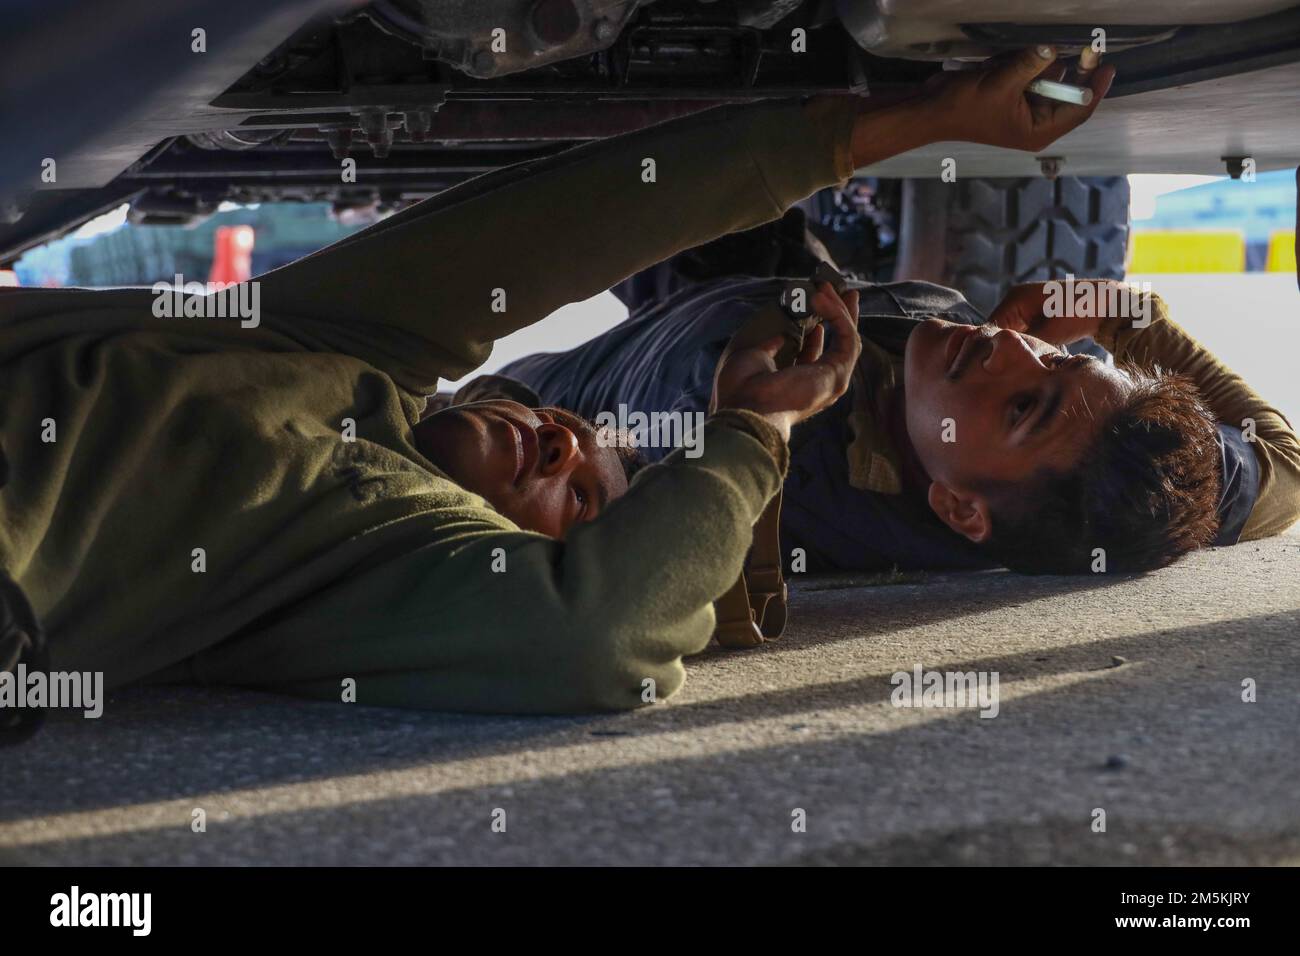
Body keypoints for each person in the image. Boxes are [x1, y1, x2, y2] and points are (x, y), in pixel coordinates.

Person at [0, 47, 1113, 730]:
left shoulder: (372, 561)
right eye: (581, 442)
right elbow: (567, 224)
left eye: (576, 503)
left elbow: (598, 635)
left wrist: (751, 430)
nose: (559, 447)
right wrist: (916, 120)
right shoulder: (357, 352)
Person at [502, 259, 1300, 575]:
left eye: (1025, 407)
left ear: (958, 505)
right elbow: (1287, 475)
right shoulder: (1152, 486)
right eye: (1063, 359)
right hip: (790, 287)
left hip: (614, 366)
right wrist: (1122, 316)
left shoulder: (732, 467)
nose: (1012, 349)